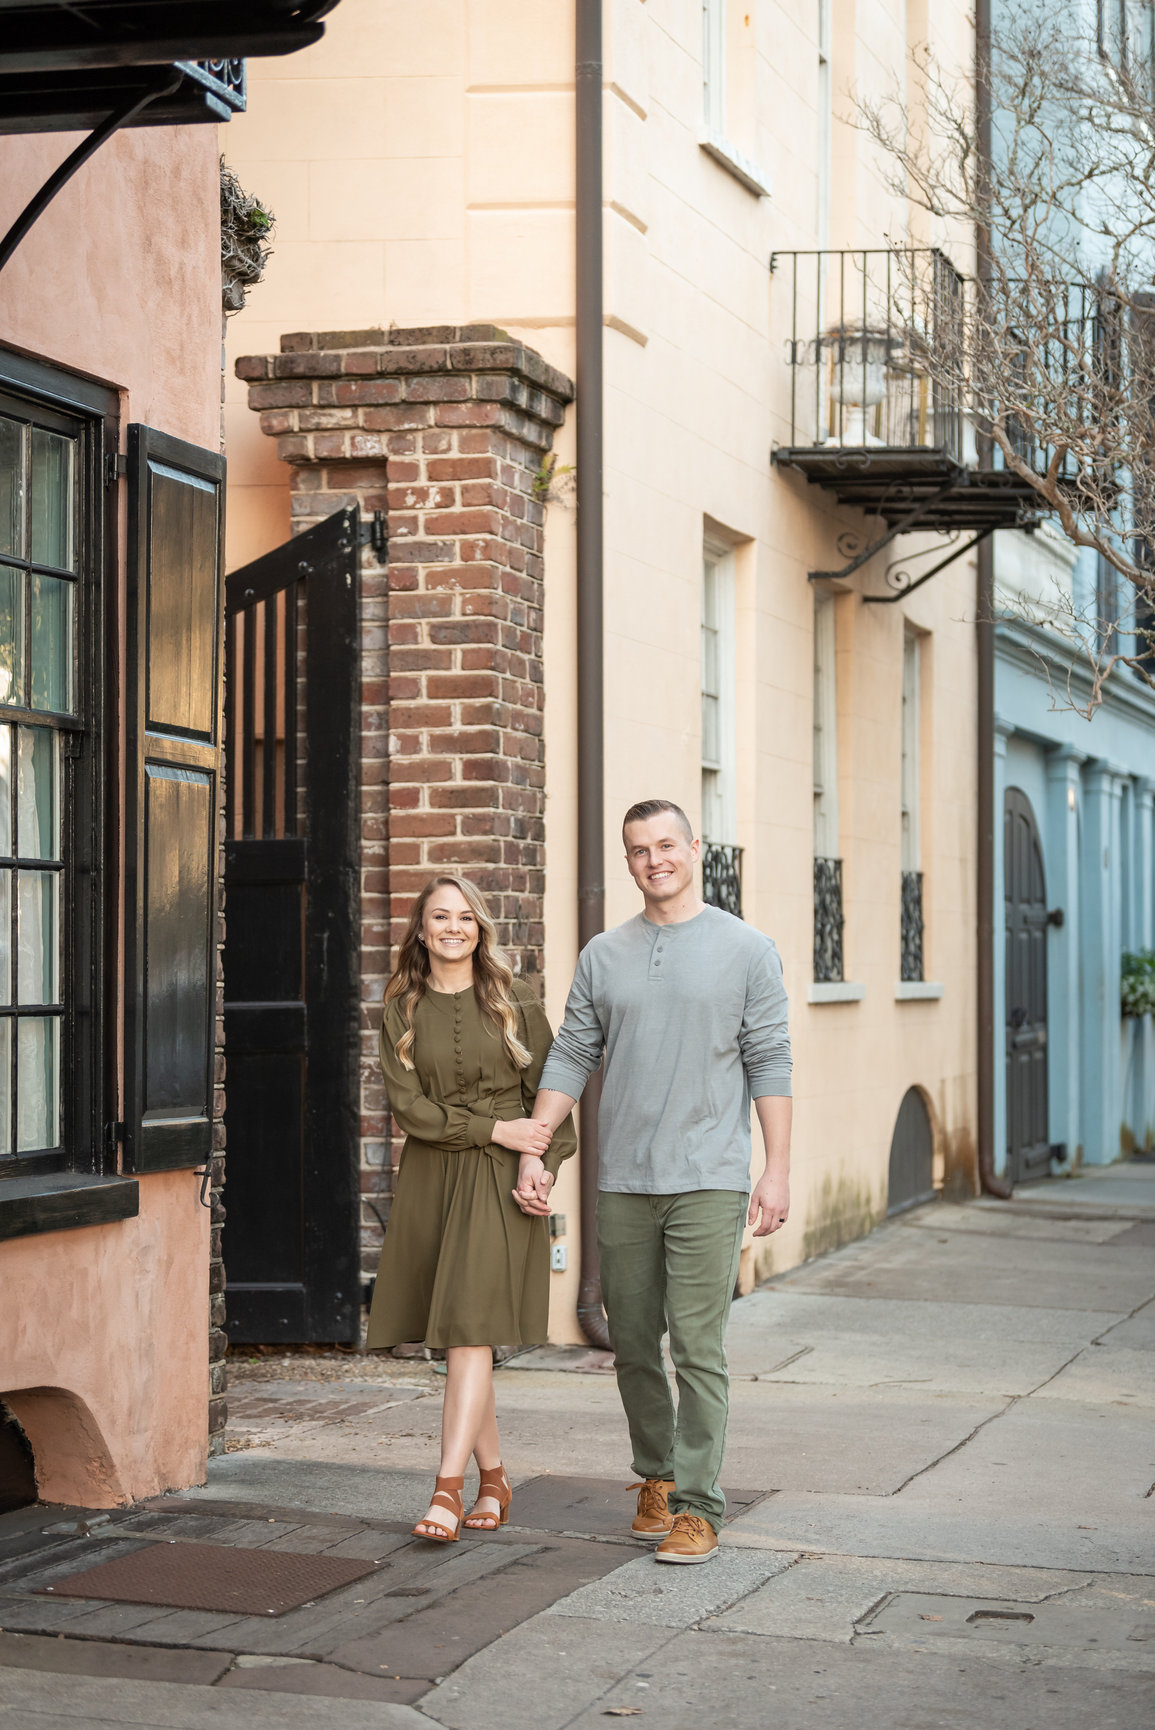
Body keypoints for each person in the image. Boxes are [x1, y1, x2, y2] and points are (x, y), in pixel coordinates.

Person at [524, 799, 792, 1565]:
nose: (654, 860)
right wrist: (535, 1147)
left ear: (694, 849)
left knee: (697, 1347)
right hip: (624, 1179)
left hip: (708, 1177)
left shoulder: (747, 949)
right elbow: (572, 1052)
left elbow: (770, 1059)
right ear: (628, 860)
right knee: (634, 1344)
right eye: (639, 850)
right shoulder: (604, 954)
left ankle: (699, 1507)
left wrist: (774, 1169)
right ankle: (658, 1476)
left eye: (667, 845)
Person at [367, 873, 575, 1542]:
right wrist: (495, 1130)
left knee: (467, 1329)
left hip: (499, 1178)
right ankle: (495, 1481)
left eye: (464, 917)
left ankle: (446, 1491)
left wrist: (539, 1160)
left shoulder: (514, 999)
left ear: (479, 928)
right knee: (464, 1333)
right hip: (432, 1176)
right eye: (439, 916)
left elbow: (550, 1091)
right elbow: (411, 1110)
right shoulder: (401, 1008)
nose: (452, 927)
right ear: (421, 930)